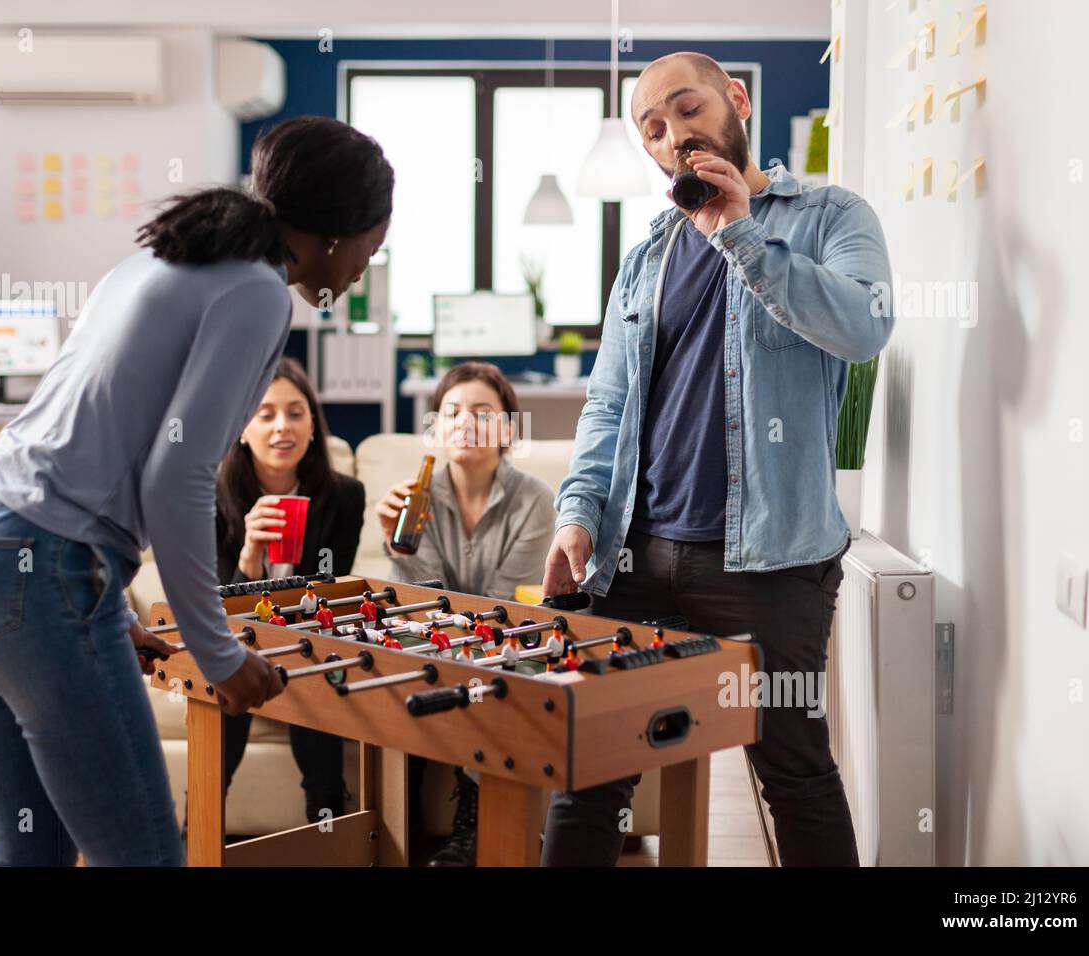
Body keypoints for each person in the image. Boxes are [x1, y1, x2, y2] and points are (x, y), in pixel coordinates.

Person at [0, 116, 393, 866]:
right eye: (374, 239)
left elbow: (102, 444)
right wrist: (220, 654)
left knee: (27, 850)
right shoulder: (258, 291)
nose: (370, 261)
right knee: (144, 853)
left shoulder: (161, 260)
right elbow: (176, 473)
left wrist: (103, 608)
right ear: (338, 232)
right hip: (34, 567)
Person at [541, 52, 895, 867]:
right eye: (653, 129)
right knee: (589, 773)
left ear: (736, 101)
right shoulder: (645, 257)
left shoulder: (832, 216)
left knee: (794, 774)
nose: (673, 135)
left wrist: (739, 232)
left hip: (769, 565)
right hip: (632, 557)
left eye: (687, 109)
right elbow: (609, 403)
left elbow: (865, 328)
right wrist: (576, 513)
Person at [375, 361, 556, 866]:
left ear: (508, 429)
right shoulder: (417, 497)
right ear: (435, 427)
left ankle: (477, 823)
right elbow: (424, 599)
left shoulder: (536, 501)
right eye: (451, 412)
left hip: (506, 643)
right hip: (435, 638)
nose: (465, 422)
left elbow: (501, 607)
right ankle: (395, 829)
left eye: (483, 411)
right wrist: (400, 547)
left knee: (499, 669)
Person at [213, 356, 366, 827]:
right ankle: (191, 841)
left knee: (312, 676)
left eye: (296, 413)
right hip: (233, 642)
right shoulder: (208, 500)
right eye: (266, 414)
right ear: (241, 428)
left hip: (305, 643)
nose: (283, 427)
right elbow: (217, 610)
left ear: (313, 427)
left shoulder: (345, 496)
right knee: (229, 685)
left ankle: (328, 837)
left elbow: (324, 595)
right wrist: (250, 558)